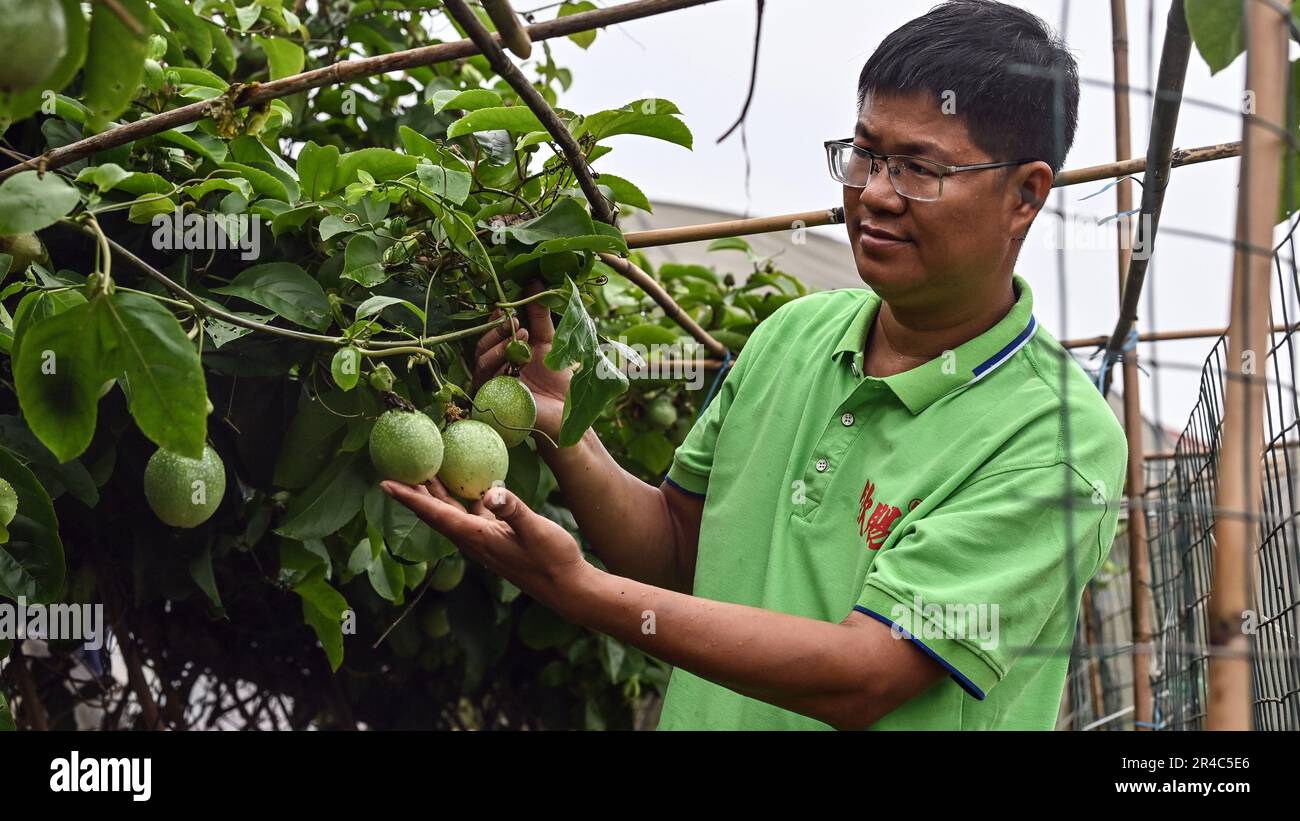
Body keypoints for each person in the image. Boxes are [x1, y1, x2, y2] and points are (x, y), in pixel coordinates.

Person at [382, 0, 1128, 730]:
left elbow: (868, 674)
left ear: (1025, 195)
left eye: (917, 169)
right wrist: (564, 426)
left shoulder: (1058, 438)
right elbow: (678, 547)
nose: (871, 193)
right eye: (865, 152)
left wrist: (578, 588)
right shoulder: (794, 335)